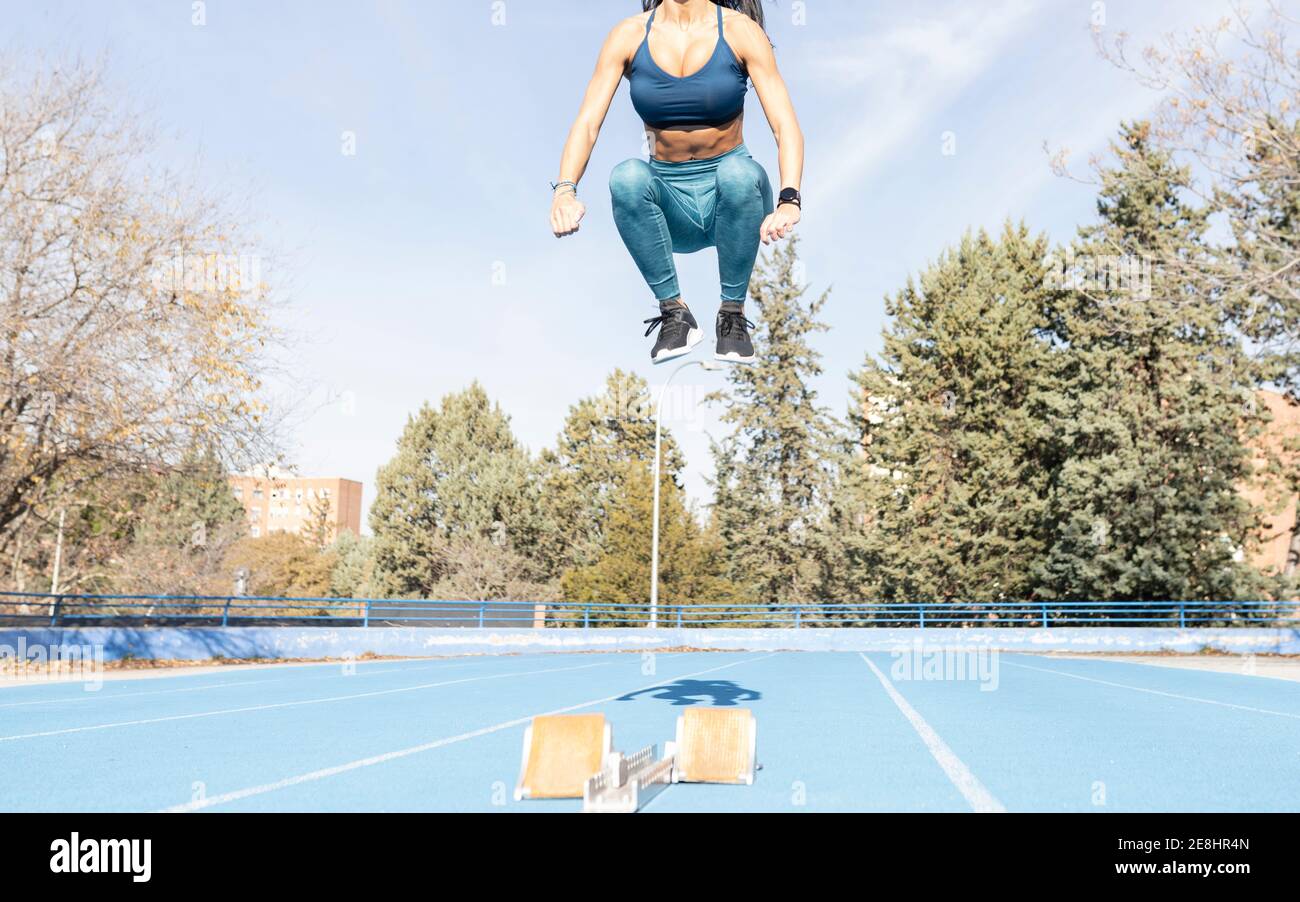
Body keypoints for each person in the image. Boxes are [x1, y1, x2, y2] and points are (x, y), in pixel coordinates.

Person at [550, 0, 804, 365]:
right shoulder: (629, 36)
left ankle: (731, 315)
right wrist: (564, 190)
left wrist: (789, 199)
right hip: (670, 209)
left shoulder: (740, 32)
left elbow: (785, 125)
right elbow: (588, 122)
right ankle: (674, 313)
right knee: (626, 176)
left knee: (737, 175)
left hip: (732, 202)